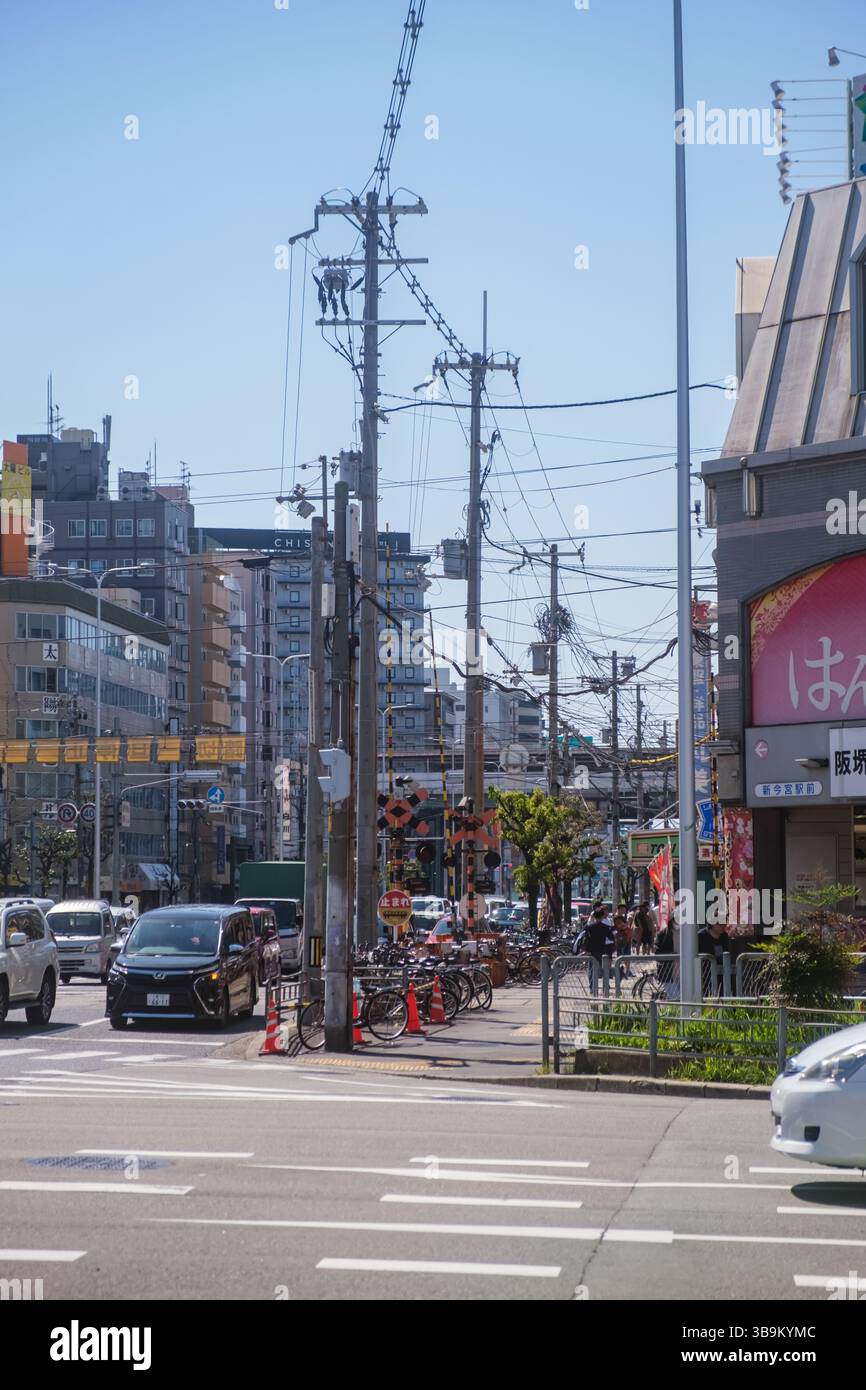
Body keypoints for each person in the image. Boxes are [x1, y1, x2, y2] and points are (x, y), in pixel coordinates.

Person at [697, 920, 730, 996]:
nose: (723, 926)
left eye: (724, 923)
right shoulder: (701, 936)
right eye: (720, 923)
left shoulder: (724, 936)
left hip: (721, 974)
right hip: (705, 975)